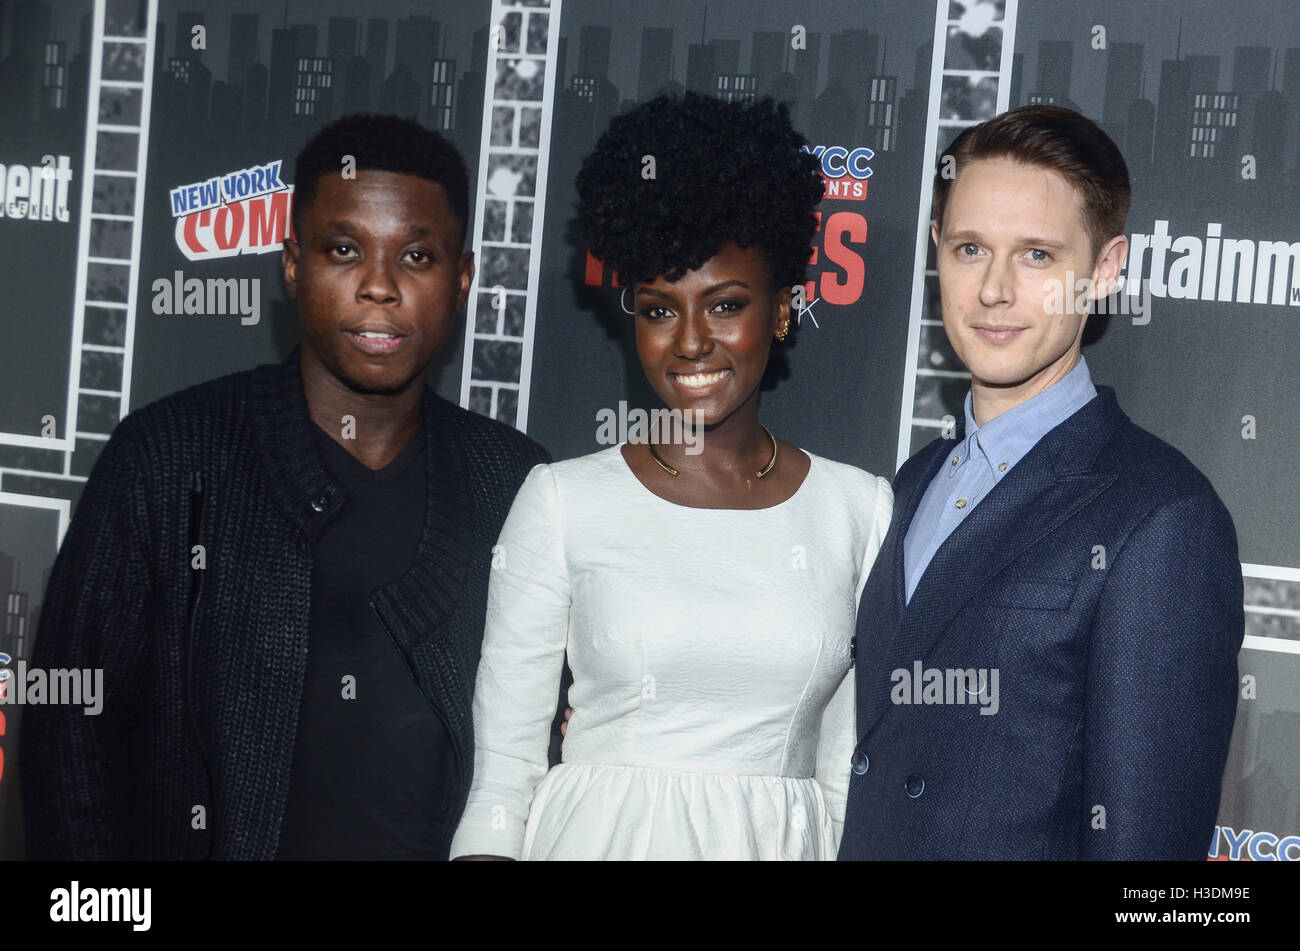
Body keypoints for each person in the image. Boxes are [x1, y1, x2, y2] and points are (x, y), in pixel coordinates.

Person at [21, 114, 550, 860]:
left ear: (461, 280)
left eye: (417, 256)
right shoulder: (169, 457)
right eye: (344, 249)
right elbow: (69, 742)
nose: (378, 285)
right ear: (293, 264)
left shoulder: (516, 484)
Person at [449, 93, 892, 861]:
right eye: (659, 310)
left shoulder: (858, 509)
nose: (691, 342)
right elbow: (504, 774)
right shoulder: (562, 501)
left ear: (782, 310)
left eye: (725, 305)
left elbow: (846, 774)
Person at [839, 105, 1243, 860]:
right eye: (970, 248)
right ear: (937, 251)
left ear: (1106, 268)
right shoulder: (911, 484)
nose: (994, 289)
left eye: (1036, 256)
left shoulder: (1161, 517)